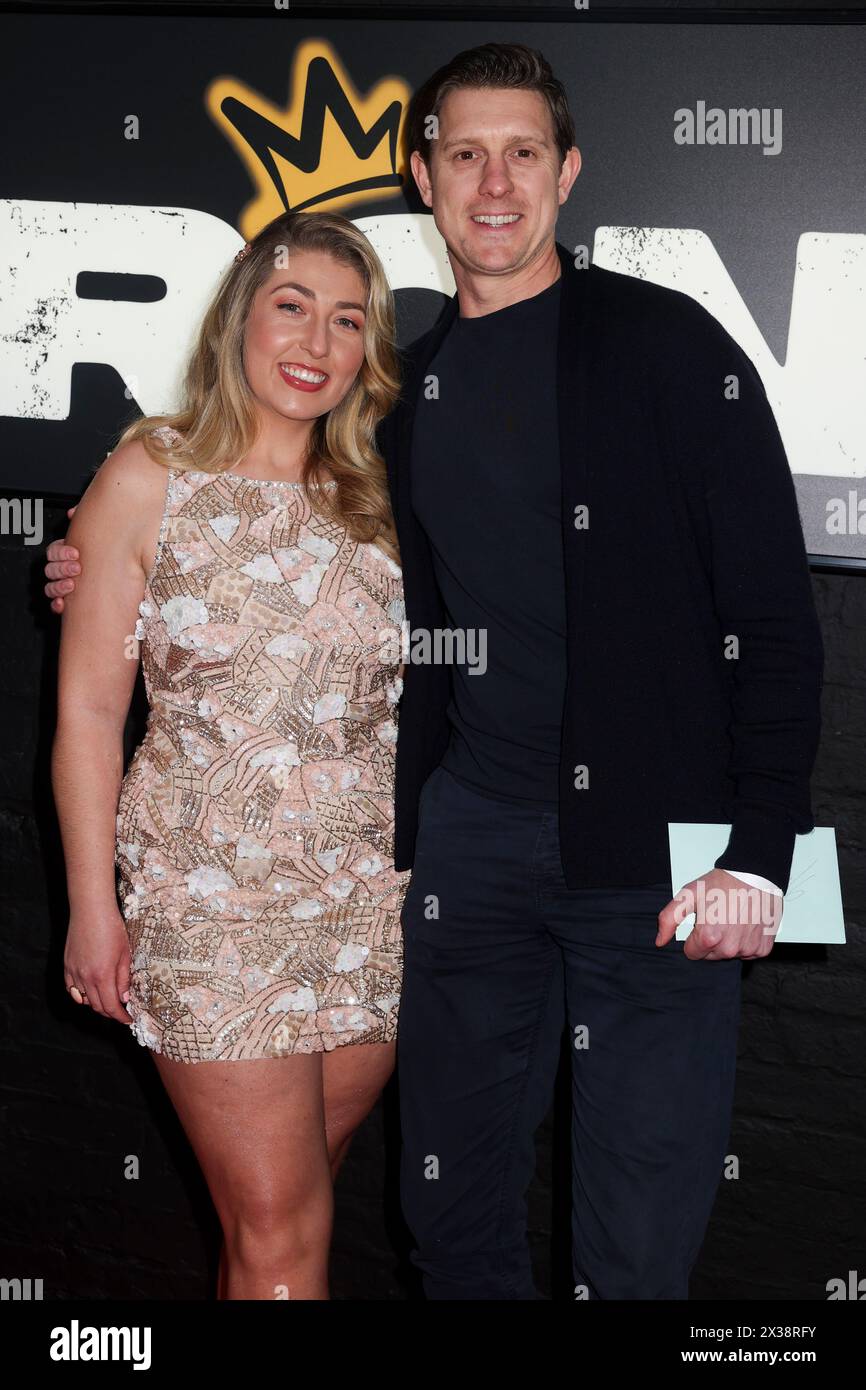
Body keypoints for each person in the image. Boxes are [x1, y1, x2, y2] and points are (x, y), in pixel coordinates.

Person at [47, 43, 824, 1301]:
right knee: (445, 1219)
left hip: (649, 864)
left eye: (523, 152)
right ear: (425, 177)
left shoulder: (668, 348)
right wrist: (90, 568)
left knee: (633, 1247)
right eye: (464, 153)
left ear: (568, 171)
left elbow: (776, 628)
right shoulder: (405, 410)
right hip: (458, 862)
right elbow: (212, 574)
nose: (495, 181)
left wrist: (760, 852)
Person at [49, 210, 410, 1300]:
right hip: (209, 909)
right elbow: (83, 713)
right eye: (291, 307)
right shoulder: (151, 473)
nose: (316, 342)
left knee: (284, 1223)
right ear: (238, 322)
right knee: (281, 1229)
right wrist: (92, 906)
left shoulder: (388, 498)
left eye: (347, 321)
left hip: (368, 906)